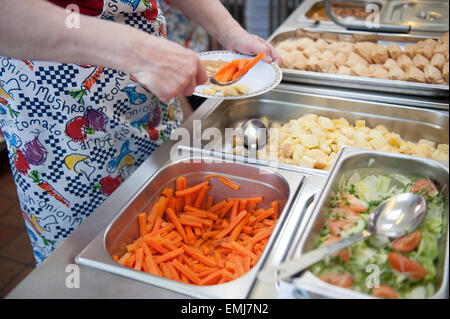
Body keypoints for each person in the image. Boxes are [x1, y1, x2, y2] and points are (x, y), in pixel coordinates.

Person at [0, 0, 281, 265]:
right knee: (90, 255)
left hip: (149, 94)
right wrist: (136, 50)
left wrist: (229, 31)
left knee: (175, 227)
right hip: (61, 107)